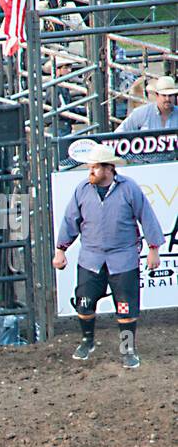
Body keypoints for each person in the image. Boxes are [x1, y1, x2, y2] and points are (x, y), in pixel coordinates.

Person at [54, 143, 164, 368]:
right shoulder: (82, 190)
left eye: (94, 167)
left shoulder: (129, 188)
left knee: (126, 307)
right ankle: (87, 341)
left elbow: (147, 216)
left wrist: (154, 248)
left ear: (108, 168)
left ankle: (128, 349)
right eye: (90, 167)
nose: (90, 172)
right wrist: (60, 249)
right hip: (91, 258)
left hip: (123, 258)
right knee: (84, 302)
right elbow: (70, 221)